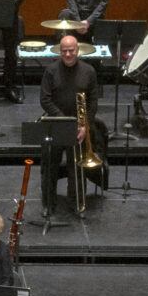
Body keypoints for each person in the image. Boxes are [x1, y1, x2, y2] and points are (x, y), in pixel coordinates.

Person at [38, 33, 101, 215]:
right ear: (59, 51)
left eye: (71, 50)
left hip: (79, 128)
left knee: (77, 168)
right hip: (56, 125)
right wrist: (64, 121)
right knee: (50, 167)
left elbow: (93, 102)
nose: (67, 54)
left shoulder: (89, 71)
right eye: (64, 51)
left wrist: (84, 126)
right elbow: (45, 100)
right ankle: (48, 204)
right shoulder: (50, 71)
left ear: (78, 50)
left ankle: (76, 202)